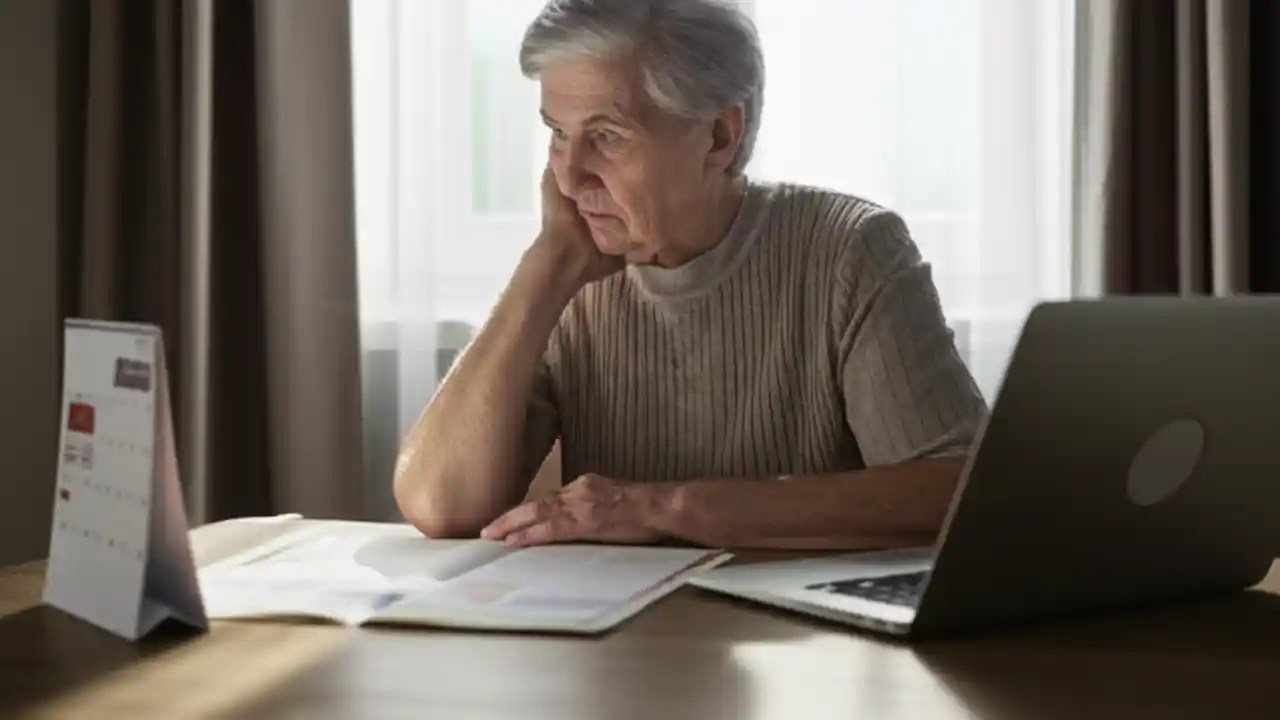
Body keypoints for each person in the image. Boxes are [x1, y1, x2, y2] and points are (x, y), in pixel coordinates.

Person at [393, 0, 987, 550]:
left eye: (606, 137)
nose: (571, 178)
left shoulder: (851, 250)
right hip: (621, 645)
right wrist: (543, 269)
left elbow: (953, 489)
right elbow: (438, 505)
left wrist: (671, 508)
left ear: (720, 136)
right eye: (557, 134)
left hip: (804, 647)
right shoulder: (570, 274)